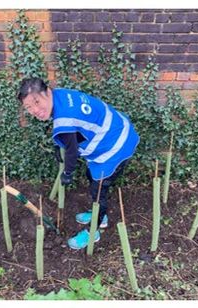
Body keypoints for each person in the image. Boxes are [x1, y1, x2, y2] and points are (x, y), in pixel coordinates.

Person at [17, 78, 140, 250]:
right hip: (115, 128)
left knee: (99, 191)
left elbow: (72, 151)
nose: (35, 110)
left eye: (37, 102)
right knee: (92, 176)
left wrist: (67, 173)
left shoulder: (64, 118)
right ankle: (100, 216)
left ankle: (94, 231)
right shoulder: (60, 95)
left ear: (47, 92)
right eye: (29, 108)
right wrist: (57, 144)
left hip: (117, 144)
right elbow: (75, 132)